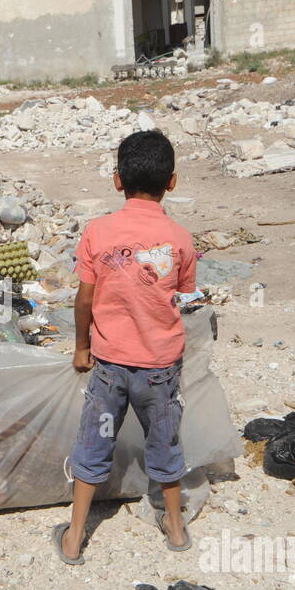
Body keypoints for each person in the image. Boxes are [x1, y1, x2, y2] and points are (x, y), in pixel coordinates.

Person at [53, 130, 197, 565]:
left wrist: (81, 348)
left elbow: (84, 300)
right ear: (172, 182)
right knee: (164, 442)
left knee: (94, 443)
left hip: (109, 368)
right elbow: (183, 298)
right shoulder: (180, 238)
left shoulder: (98, 231)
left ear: (117, 180)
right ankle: (175, 528)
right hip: (160, 369)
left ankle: (74, 537)